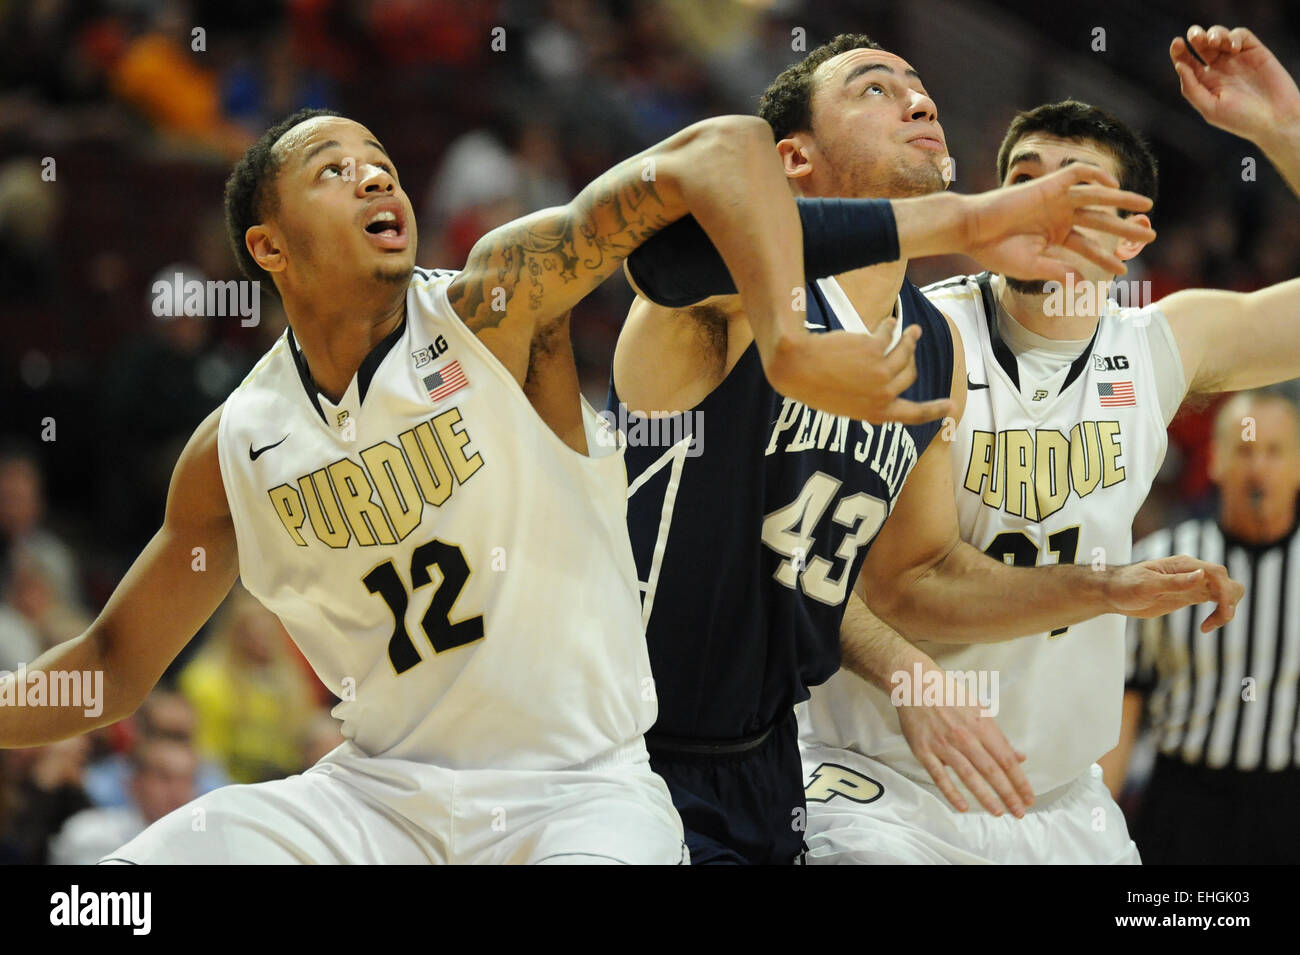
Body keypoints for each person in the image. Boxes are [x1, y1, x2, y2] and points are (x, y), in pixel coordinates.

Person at [0, 103, 1114, 863]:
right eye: (331, 170)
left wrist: (783, 328)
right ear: (269, 245)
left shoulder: (496, 306)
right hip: (378, 796)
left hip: (578, 791)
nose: (373, 173)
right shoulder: (237, 445)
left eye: (379, 160)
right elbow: (102, 668)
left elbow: (721, 150)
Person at [611, 32, 1240, 864]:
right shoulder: (745, 297)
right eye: (874, 89)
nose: (920, 100)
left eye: (920, 86)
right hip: (630, 748)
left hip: (763, 758)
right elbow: (663, 254)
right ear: (794, 159)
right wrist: (968, 219)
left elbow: (886, 579)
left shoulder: (930, 343)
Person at [799, 24, 1300, 864]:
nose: (1042, 205)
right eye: (1023, 182)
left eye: (1075, 189)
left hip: (1064, 803)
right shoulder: (921, 337)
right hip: (888, 786)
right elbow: (900, 584)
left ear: (1134, 234)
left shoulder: (1161, 343)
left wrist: (1283, 128)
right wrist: (1107, 589)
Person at [1108, 391, 1300, 864]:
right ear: (1215, 463)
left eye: (1274, 452)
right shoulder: (1164, 565)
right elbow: (1125, 704)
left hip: (1288, 803)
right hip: (1184, 801)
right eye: (1245, 450)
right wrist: (1101, 820)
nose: (1259, 468)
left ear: (1298, 465)